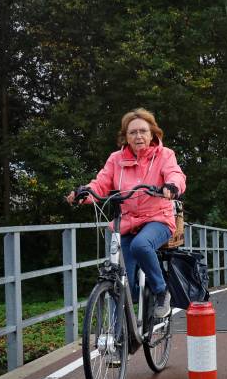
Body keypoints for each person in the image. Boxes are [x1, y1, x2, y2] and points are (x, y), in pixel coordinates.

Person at [67, 108, 186, 317]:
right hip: (126, 222)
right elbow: (101, 183)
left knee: (141, 245)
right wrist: (84, 193)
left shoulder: (165, 155)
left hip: (157, 218)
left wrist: (172, 186)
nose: (138, 136)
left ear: (152, 134)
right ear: (126, 136)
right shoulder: (116, 159)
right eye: (132, 132)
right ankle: (120, 334)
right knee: (122, 281)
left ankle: (161, 291)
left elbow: (175, 174)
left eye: (143, 131)